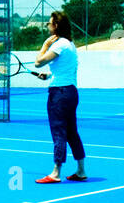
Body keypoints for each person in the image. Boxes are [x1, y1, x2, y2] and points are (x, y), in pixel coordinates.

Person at [33, 11, 87, 184]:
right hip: (71, 92)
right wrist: (48, 76)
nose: (48, 26)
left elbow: (38, 62)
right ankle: (81, 170)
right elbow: (63, 69)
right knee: (72, 132)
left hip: (59, 95)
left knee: (59, 132)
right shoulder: (70, 45)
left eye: (49, 23)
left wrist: (44, 45)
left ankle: (56, 173)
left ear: (56, 26)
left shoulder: (59, 44)